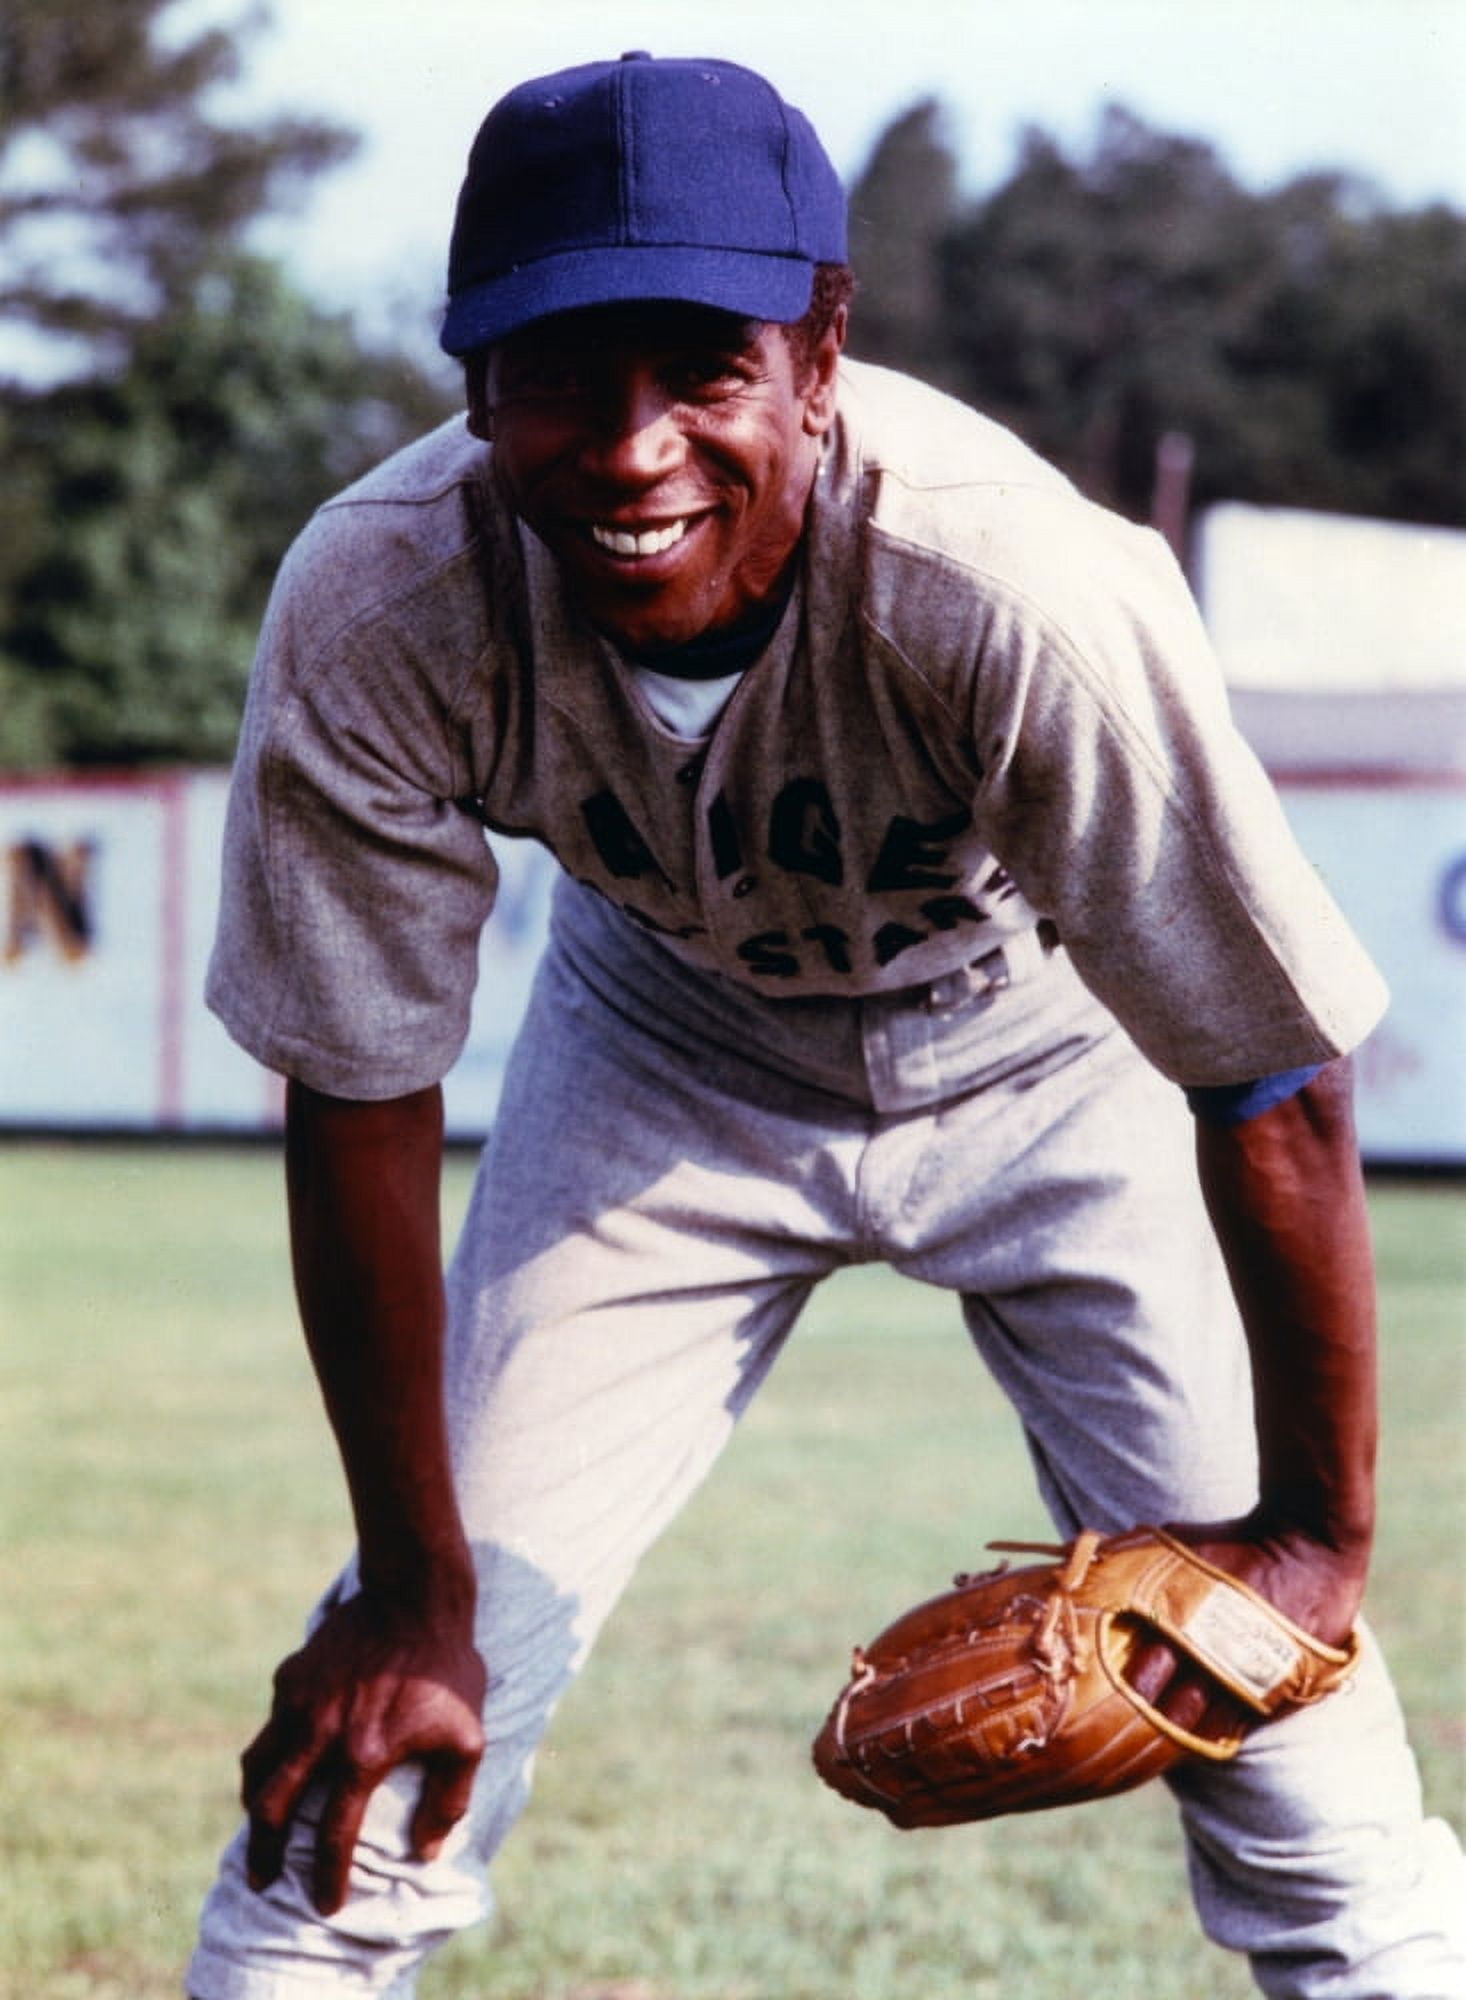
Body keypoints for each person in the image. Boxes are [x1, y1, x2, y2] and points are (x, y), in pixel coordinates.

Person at [188, 51, 1465, 2000]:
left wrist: (1313, 1539)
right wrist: (415, 1591)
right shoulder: (382, 599)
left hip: (1048, 1053)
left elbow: (1267, 1072)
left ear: (820, 350)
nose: (631, 448)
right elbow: (359, 1092)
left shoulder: (1008, 581)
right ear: (475, 379)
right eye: (558, 372)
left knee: (1294, 1761)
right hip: (665, 1051)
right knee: (382, 1760)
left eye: (702, 368)